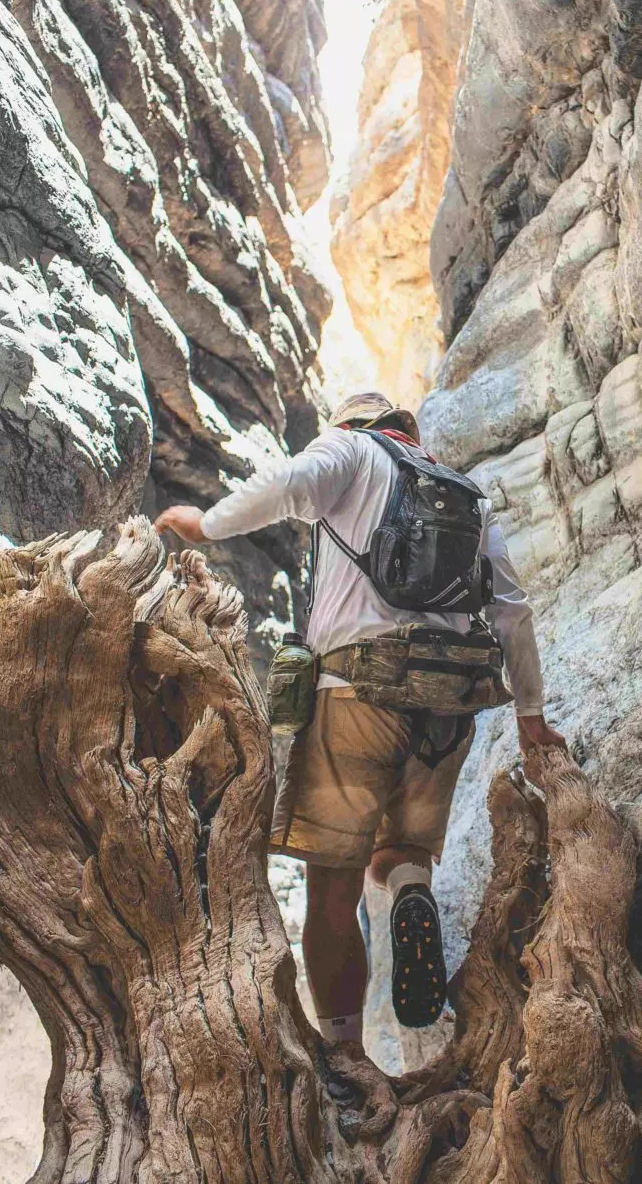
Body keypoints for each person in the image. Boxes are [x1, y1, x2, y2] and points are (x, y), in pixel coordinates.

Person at [155, 392, 563, 1046]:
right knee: (399, 852)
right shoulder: (466, 493)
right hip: (449, 702)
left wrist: (207, 525)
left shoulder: (349, 448)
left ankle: (345, 1056)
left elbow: (286, 483)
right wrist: (532, 716)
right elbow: (512, 608)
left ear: (351, 424)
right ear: (412, 432)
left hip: (356, 695)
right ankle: (409, 893)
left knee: (333, 889)